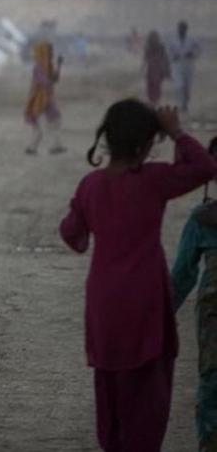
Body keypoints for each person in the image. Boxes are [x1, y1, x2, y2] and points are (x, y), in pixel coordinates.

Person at [59, 100, 217, 452]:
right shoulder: (153, 180)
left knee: (110, 389)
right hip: (144, 302)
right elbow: (206, 167)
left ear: (109, 138)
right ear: (146, 144)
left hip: (103, 305)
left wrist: (82, 210)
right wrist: (176, 131)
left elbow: (72, 235)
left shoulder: (91, 185)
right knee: (147, 395)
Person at [170, 137, 217, 452]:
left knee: (212, 381)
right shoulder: (203, 219)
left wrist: (159, 315)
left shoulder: (204, 219)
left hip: (213, 313)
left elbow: (183, 276)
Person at [24, 41, 64, 155]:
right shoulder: (38, 68)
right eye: (49, 52)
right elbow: (46, 82)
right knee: (40, 129)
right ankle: (33, 148)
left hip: (46, 99)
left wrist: (59, 65)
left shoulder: (48, 66)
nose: (51, 54)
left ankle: (55, 146)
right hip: (38, 100)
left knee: (54, 122)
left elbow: (55, 79)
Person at [169, 20, 201, 113]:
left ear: (186, 29)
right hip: (177, 65)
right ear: (177, 29)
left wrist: (193, 54)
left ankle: (185, 104)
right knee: (179, 85)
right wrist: (173, 56)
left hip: (189, 65)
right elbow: (168, 51)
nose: (181, 30)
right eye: (180, 28)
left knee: (187, 86)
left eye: (183, 28)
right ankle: (180, 104)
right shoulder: (172, 39)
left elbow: (199, 49)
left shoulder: (192, 39)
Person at [142, 30, 171, 106]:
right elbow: (145, 58)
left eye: (154, 37)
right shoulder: (148, 47)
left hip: (159, 69)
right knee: (150, 86)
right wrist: (143, 66)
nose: (153, 39)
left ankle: (155, 100)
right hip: (150, 69)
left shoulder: (161, 47)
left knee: (157, 86)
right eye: (152, 37)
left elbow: (165, 58)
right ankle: (152, 100)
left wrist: (167, 70)